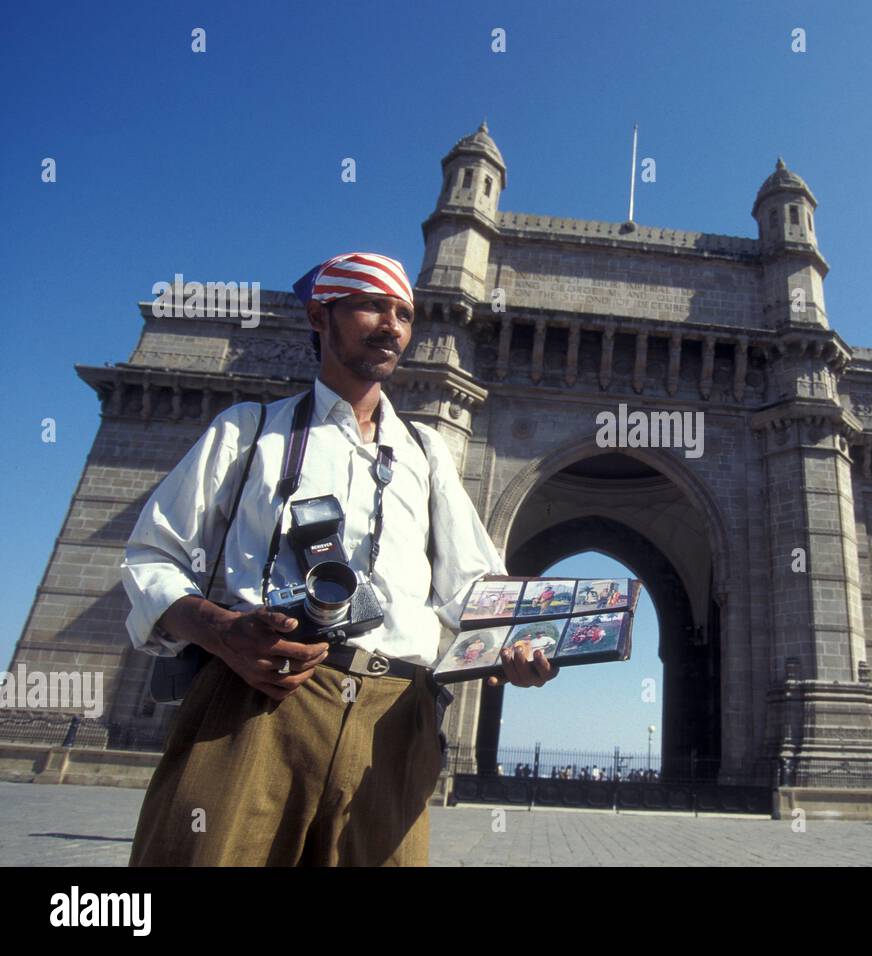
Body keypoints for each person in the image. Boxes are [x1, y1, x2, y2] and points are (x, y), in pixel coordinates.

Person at [121, 251, 558, 866]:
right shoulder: (249, 431)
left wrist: (515, 643)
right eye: (372, 307)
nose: (392, 326)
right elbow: (152, 556)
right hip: (256, 703)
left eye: (404, 313)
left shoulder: (426, 452)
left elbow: (471, 587)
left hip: (393, 720)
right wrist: (220, 630)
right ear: (319, 317)